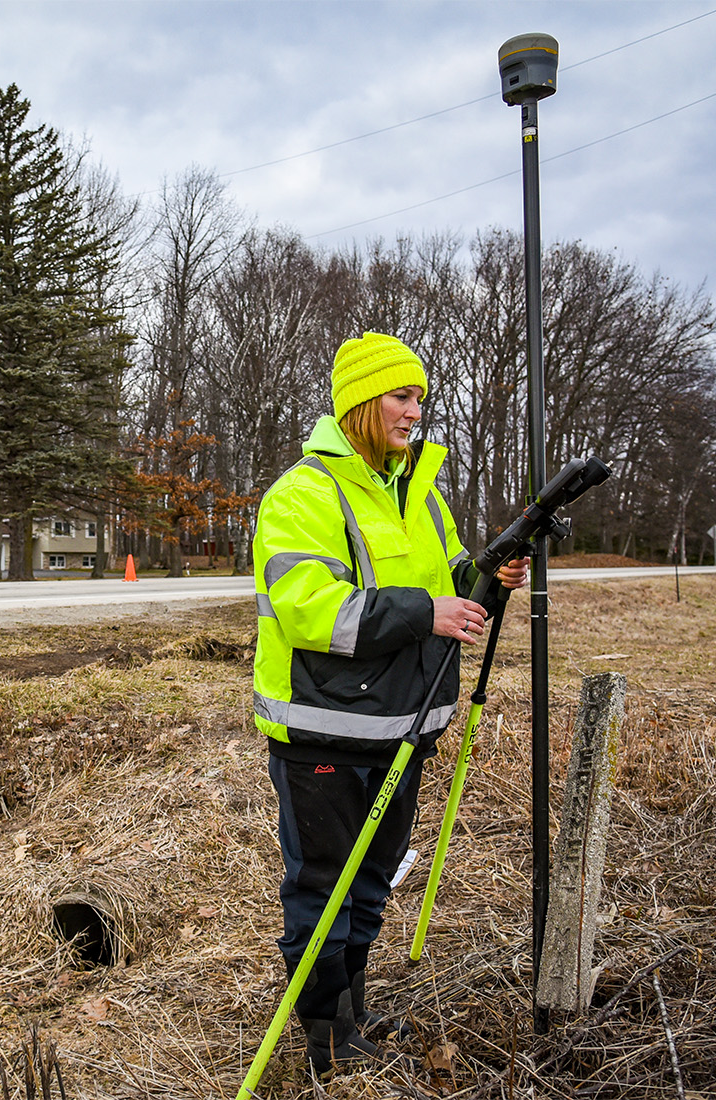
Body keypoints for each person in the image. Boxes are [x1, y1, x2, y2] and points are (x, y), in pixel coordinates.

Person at [251, 332, 528, 1074]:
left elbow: (452, 592)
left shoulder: (423, 495)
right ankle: (326, 1042)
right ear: (362, 403)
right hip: (323, 732)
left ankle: (356, 1012)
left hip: (403, 728)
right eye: (403, 397)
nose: (415, 412)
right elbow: (312, 609)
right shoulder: (303, 493)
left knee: (372, 880)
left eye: (419, 399)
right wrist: (424, 612)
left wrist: (488, 579)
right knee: (323, 889)